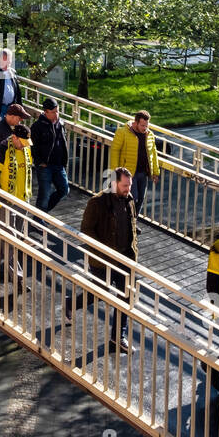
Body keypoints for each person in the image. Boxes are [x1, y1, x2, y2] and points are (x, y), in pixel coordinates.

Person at [75, 167, 138, 353]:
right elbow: (86, 229)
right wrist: (102, 250)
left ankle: (118, 337)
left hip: (126, 258)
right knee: (99, 291)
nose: (128, 189)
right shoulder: (97, 202)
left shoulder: (129, 199)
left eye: (130, 185)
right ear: (114, 183)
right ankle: (72, 304)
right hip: (103, 259)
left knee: (126, 297)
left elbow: (132, 223)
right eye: (125, 185)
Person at [0, 123, 35, 293]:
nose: (25, 146)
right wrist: (0, 199)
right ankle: (18, 279)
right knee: (12, 241)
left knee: (10, 238)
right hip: (5, 202)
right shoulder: (1, 150)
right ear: (14, 138)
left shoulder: (26, 148)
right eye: (22, 142)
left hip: (22, 201)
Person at [109, 111, 160, 214]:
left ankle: (132, 222)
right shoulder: (122, 132)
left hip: (143, 173)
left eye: (146, 125)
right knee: (133, 198)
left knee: (141, 199)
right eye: (142, 125)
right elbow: (115, 151)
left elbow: (153, 154)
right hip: (128, 173)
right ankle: (125, 220)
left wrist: (155, 172)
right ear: (135, 122)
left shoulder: (150, 135)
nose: (145, 128)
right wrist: (115, 172)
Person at [30, 97, 69, 212]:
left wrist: (64, 162)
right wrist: (39, 162)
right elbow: (33, 146)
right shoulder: (37, 127)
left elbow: (63, 143)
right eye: (53, 112)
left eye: (57, 111)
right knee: (44, 195)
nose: (56, 114)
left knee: (64, 190)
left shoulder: (60, 124)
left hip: (58, 165)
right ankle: (38, 219)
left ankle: (43, 213)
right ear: (45, 112)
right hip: (44, 166)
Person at [0, 48, 21, 116]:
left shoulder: (12, 72)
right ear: (0, 59)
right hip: (0, 107)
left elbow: (18, 92)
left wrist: (19, 108)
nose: (8, 61)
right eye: (5, 59)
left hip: (11, 108)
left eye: (9, 59)